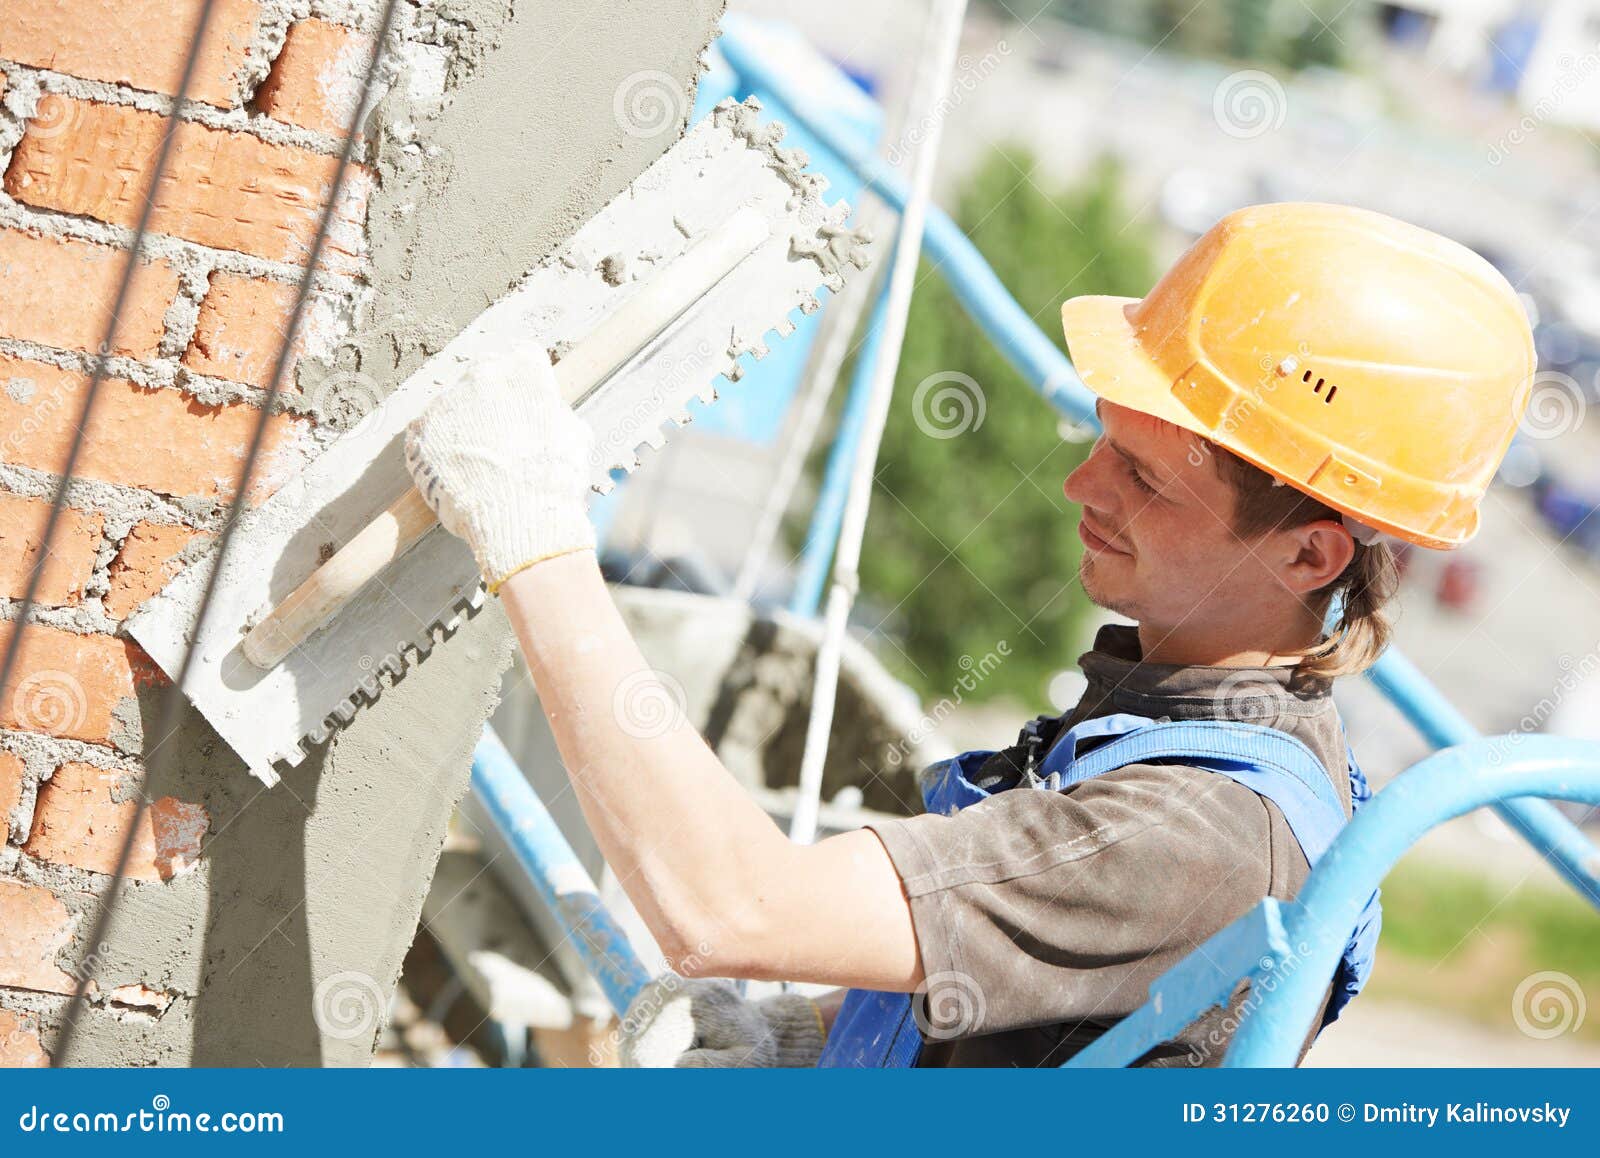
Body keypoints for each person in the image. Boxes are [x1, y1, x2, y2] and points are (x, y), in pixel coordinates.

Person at [403, 203, 1535, 1067]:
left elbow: (726, 908)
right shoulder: (1195, 731)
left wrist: (533, 532)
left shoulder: (1193, 836)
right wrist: (813, 1035)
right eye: (1104, 440)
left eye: (1143, 476)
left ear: (1306, 555)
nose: (1079, 484)